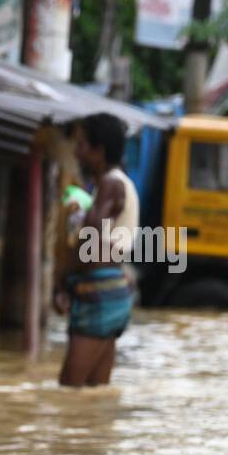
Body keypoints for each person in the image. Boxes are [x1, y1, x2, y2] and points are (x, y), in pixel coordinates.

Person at [54, 112, 139, 387]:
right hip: (112, 292)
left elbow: (89, 242)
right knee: (95, 393)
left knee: (68, 390)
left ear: (99, 151)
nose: (77, 154)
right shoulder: (118, 183)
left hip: (98, 293)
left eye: (81, 146)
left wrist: (64, 282)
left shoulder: (110, 184)